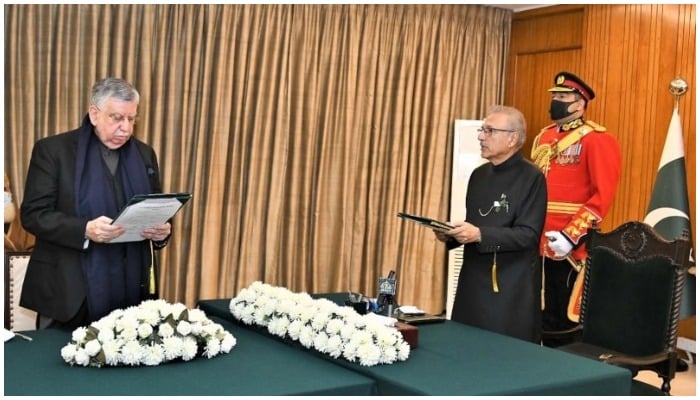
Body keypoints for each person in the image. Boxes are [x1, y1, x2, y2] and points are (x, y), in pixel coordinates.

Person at [19, 77, 172, 330]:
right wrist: (84, 230)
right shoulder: (53, 150)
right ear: (94, 114)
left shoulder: (145, 154)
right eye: (117, 118)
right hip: (69, 292)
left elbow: (153, 206)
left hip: (131, 288)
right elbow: (34, 215)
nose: (126, 128)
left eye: (131, 119)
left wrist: (162, 232)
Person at [435, 105, 547, 343]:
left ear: (512, 138)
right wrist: (453, 234)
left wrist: (478, 234)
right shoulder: (478, 175)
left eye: (489, 130)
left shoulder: (532, 177)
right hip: (473, 279)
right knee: (465, 345)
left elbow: (528, 235)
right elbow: (476, 224)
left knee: (501, 356)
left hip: (509, 284)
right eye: (481, 130)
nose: (481, 136)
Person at [531, 71, 621, 347]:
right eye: (554, 96)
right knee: (538, 311)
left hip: (569, 242)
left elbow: (602, 195)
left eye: (562, 97)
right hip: (536, 237)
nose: (555, 101)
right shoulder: (543, 137)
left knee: (564, 314)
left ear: (580, 103)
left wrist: (571, 235)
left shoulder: (597, 140)